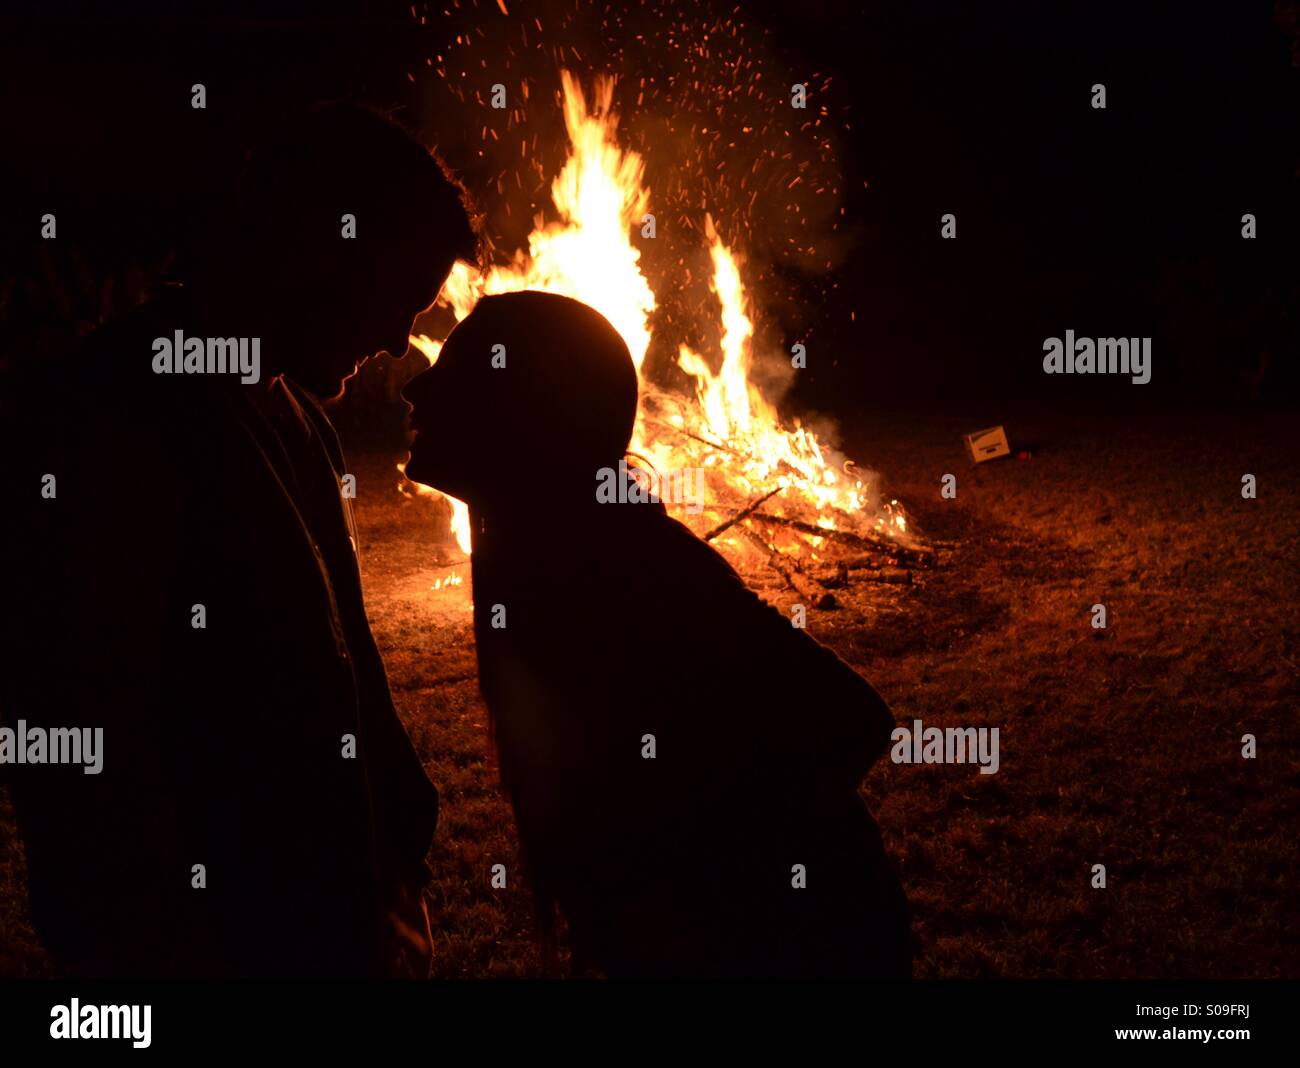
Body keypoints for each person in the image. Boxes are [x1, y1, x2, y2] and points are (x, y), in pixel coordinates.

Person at [0, 103, 477, 977]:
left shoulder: (295, 415)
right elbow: (80, 748)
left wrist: (395, 831)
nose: (396, 341)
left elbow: (341, 671)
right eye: (393, 297)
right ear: (319, 249)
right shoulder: (107, 420)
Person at [401, 291, 912, 977]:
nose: (416, 385)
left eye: (455, 370)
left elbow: (850, 716)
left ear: (523, 414)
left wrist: (713, 899)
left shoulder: (631, 567)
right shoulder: (541, 564)